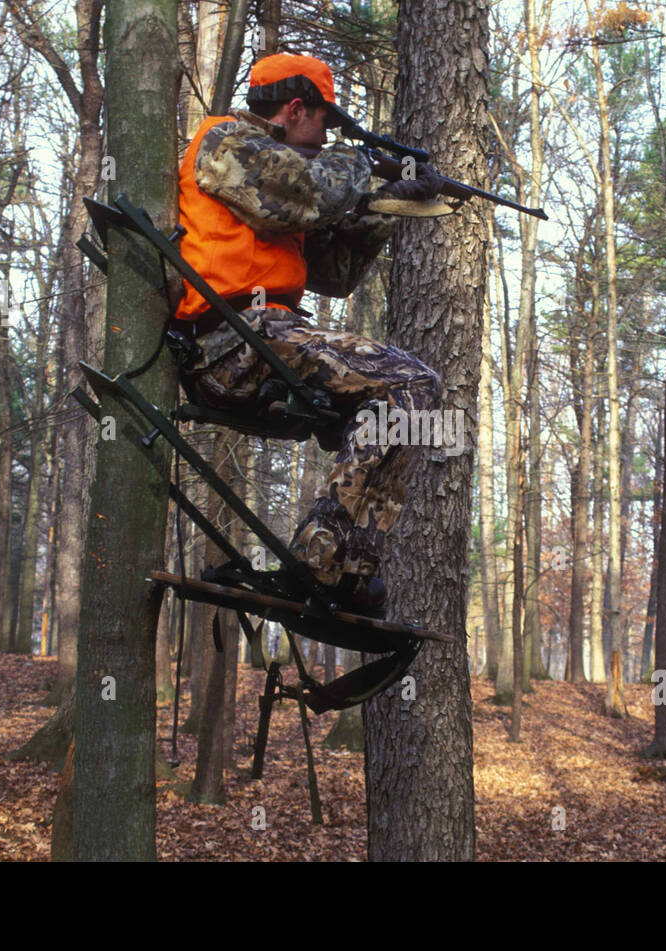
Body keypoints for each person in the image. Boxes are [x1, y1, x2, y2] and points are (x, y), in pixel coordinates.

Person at [167, 53, 444, 616]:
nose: (325, 137)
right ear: (295, 109)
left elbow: (334, 272)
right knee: (413, 384)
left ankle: (346, 572)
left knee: (408, 400)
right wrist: (370, 168)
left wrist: (391, 204)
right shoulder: (227, 144)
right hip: (232, 341)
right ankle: (319, 566)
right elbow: (306, 191)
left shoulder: (280, 181)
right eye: (324, 123)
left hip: (269, 339)